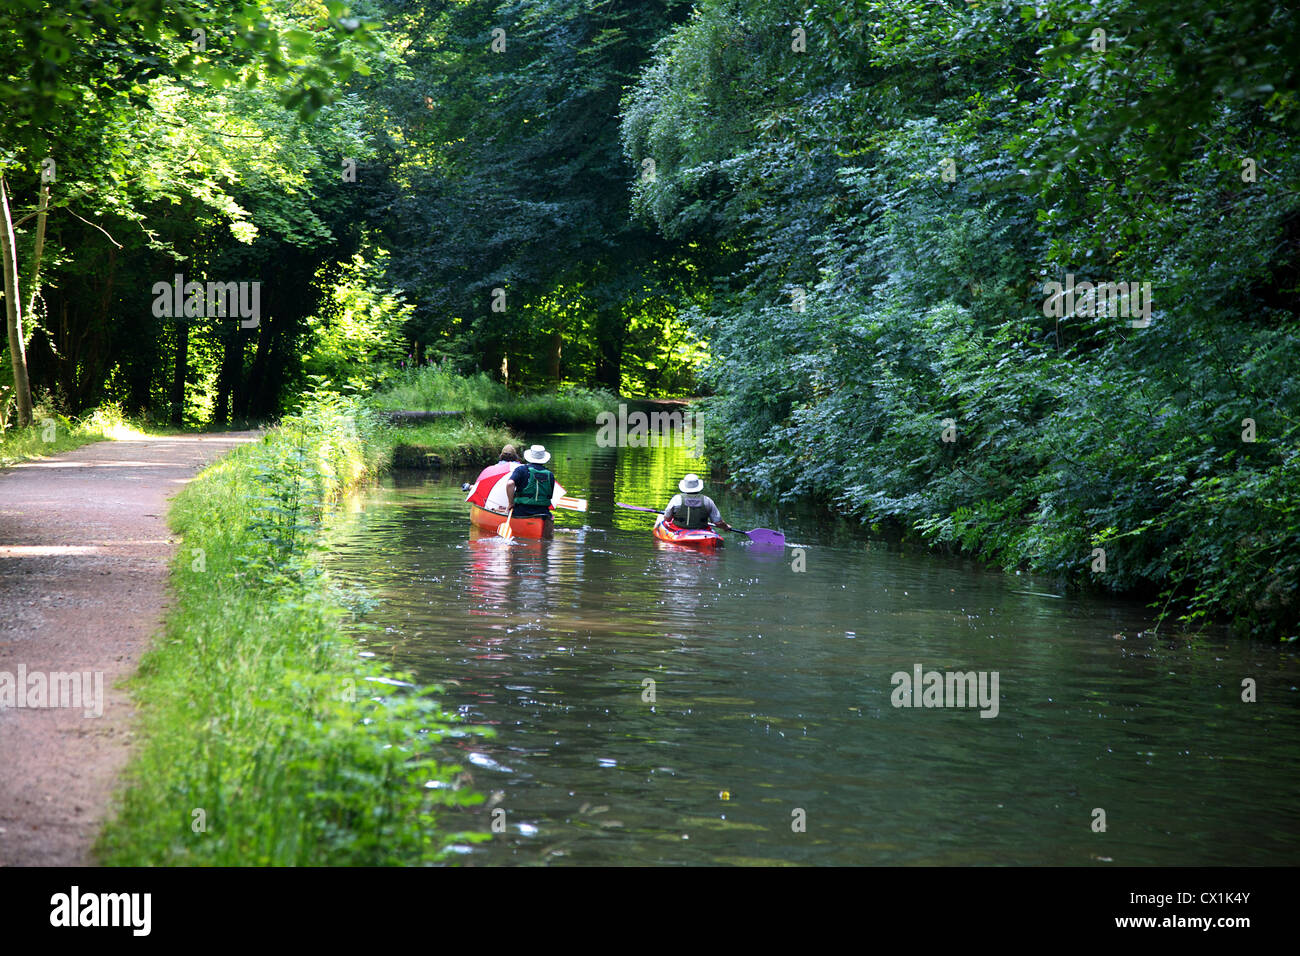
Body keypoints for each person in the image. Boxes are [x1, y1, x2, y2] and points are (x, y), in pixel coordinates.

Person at [505, 444, 560, 534]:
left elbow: (510, 484)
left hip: (522, 512)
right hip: (543, 513)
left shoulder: (521, 470)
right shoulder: (550, 475)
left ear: (529, 457)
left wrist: (510, 503)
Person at [663, 474, 731, 531]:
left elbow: (667, 519)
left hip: (679, 530)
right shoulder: (707, 500)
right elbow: (718, 522)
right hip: (702, 531)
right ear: (698, 486)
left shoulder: (676, 499)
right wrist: (726, 527)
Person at [466, 445, 521, 509]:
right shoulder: (523, 469)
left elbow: (480, 489)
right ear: (515, 457)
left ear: (501, 456)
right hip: (519, 508)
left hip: (495, 507)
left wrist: (470, 487)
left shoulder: (490, 471)